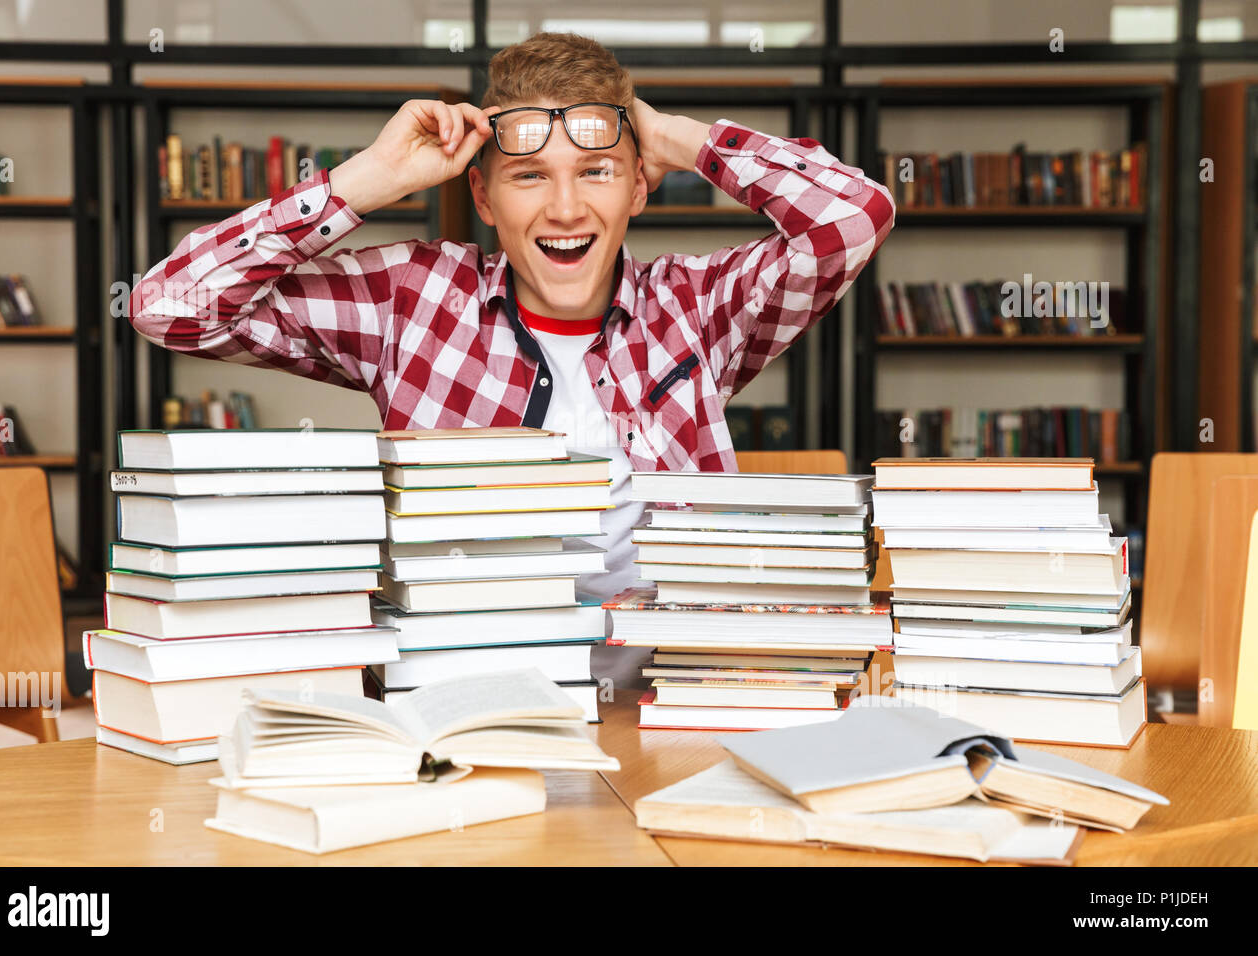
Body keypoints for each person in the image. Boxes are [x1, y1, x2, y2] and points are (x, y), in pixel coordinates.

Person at [128, 32, 895, 685]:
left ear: (638, 190)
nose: (565, 209)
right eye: (529, 176)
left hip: (671, 704)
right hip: (466, 709)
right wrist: (372, 179)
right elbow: (168, 305)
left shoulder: (697, 309)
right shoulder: (412, 298)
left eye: (596, 171)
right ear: (485, 200)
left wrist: (671, 138)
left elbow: (855, 217)